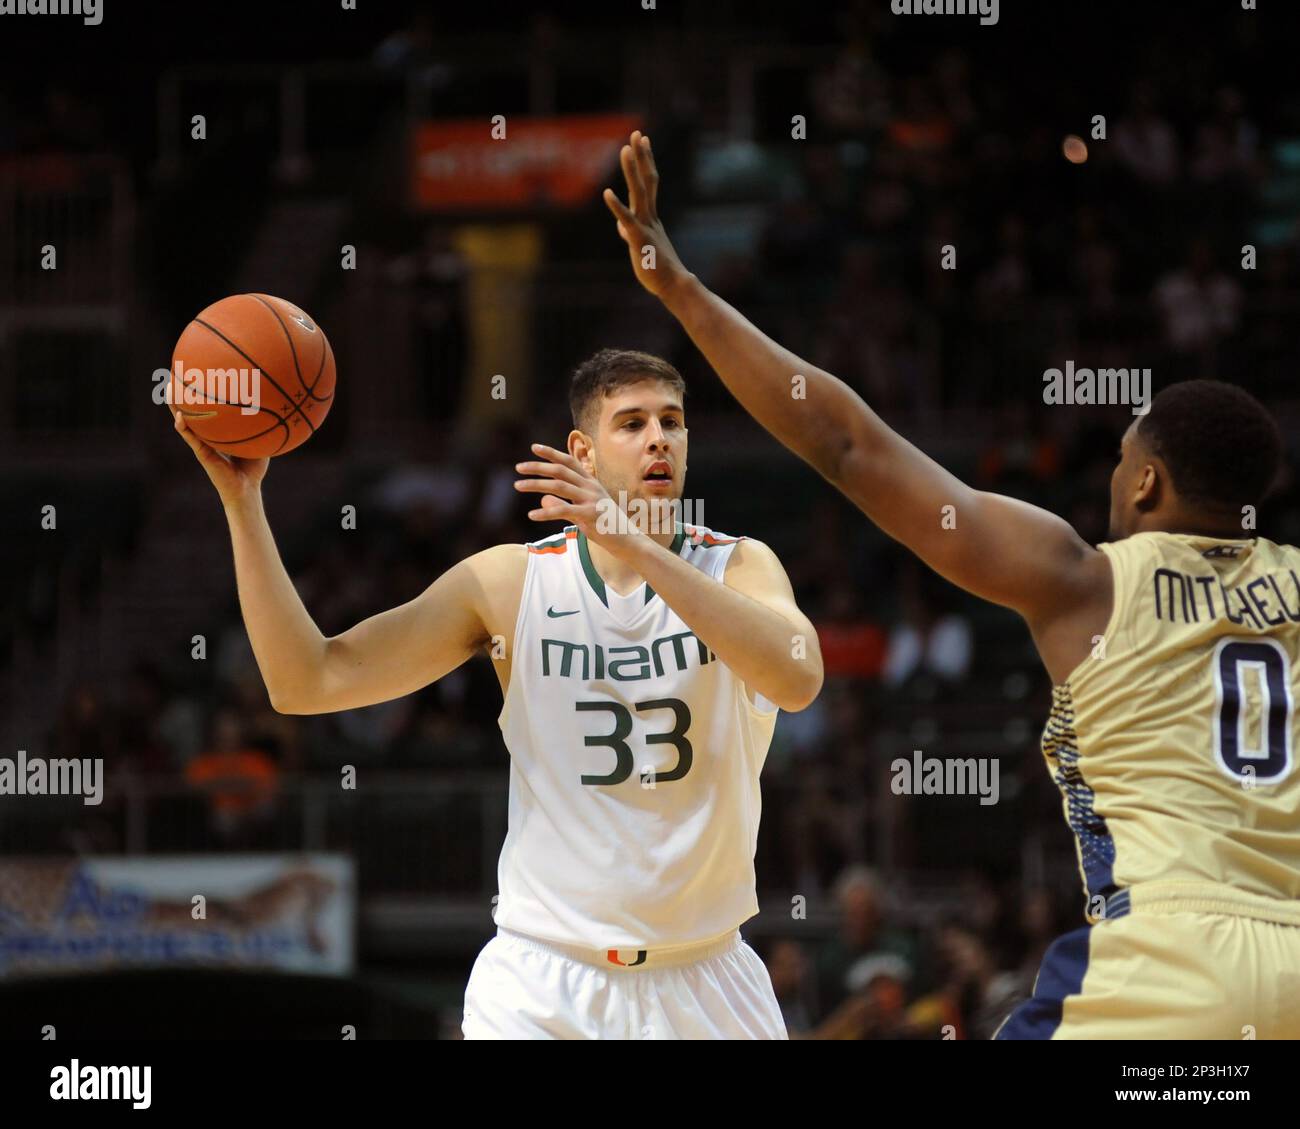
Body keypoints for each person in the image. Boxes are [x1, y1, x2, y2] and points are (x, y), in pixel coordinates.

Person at [605, 129, 1300, 1039]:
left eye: (1121, 458)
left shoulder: (1082, 578)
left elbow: (849, 445)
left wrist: (681, 292)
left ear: (1145, 482)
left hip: (1164, 965)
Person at [173, 346, 823, 1041]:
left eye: (672, 420)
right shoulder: (510, 584)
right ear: (583, 451)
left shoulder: (740, 565)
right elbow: (307, 679)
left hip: (707, 977)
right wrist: (243, 505)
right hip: (543, 980)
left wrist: (637, 546)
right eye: (631, 423)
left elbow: (799, 677)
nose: (658, 437)